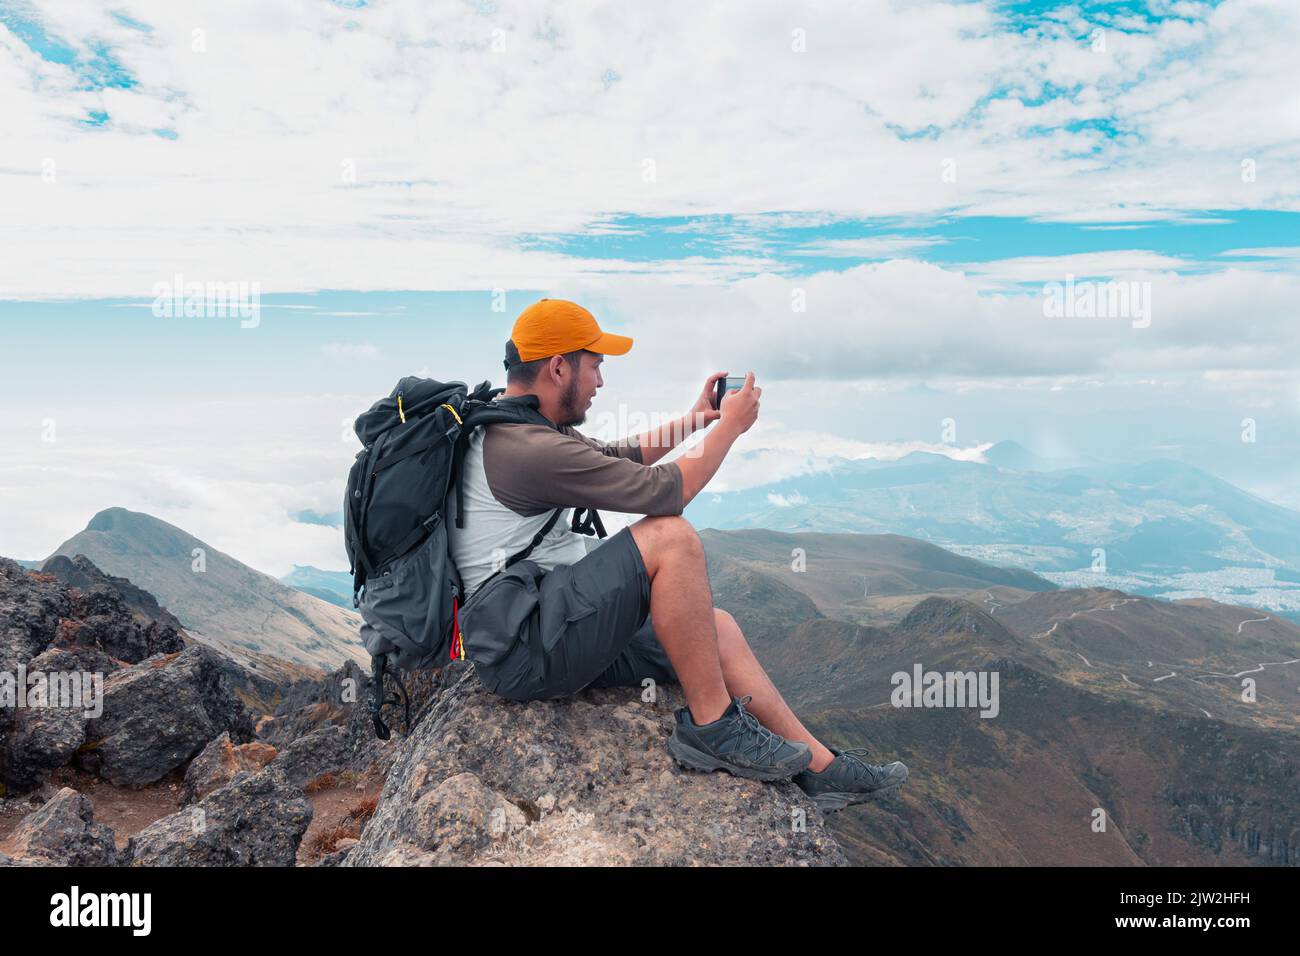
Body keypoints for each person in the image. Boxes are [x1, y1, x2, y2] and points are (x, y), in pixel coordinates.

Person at [450, 297, 907, 810]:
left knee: (718, 629)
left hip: (545, 629)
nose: (600, 382)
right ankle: (712, 728)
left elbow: (615, 458)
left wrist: (698, 419)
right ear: (559, 366)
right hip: (526, 650)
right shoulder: (525, 449)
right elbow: (663, 493)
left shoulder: (520, 430)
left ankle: (824, 770)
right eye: (595, 365)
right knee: (671, 535)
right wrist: (731, 428)